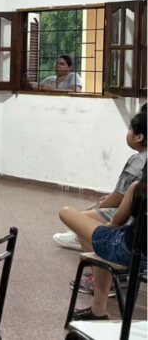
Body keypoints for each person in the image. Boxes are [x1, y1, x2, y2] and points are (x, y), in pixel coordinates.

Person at [53, 110, 147, 295]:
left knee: (78, 220)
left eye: (130, 129)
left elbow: (120, 204)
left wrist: (99, 210)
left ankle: (104, 280)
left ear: (139, 137)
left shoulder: (139, 161)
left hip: (132, 245)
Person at [60, 171, 147, 321]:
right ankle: (98, 309)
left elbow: (116, 222)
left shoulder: (139, 188)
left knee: (66, 212)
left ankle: (98, 310)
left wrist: (101, 231)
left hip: (127, 251)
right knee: (101, 241)